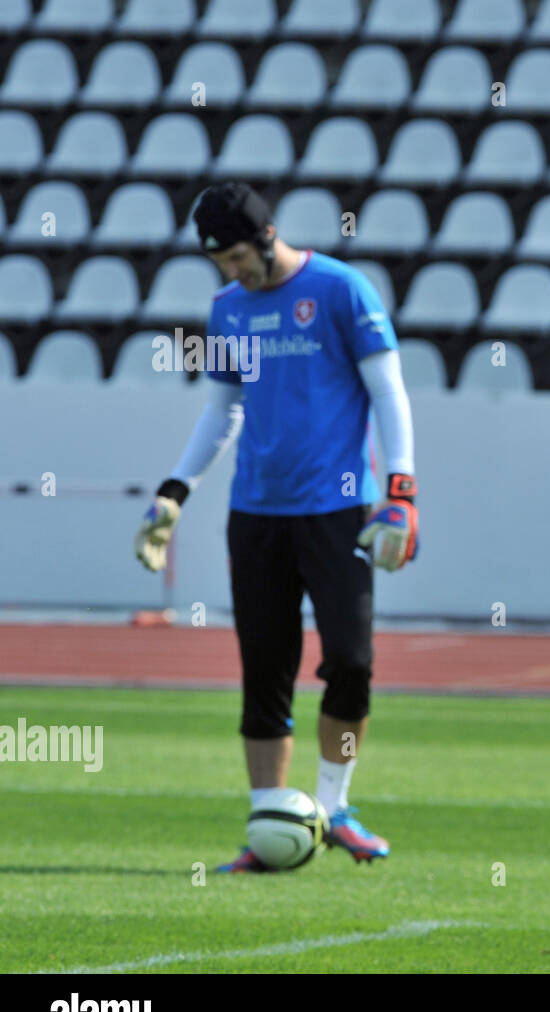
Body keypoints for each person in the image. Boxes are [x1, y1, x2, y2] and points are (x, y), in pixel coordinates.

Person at [133, 181, 420, 872]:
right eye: (219, 263)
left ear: (265, 237)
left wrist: (401, 492)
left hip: (338, 508)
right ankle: (269, 820)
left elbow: (388, 390)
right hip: (256, 513)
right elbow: (223, 410)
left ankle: (335, 806)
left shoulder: (340, 290)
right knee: (264, 673)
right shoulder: (228, 309)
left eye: (235, 256)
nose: (230, 272)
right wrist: (175, 490)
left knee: (351, 664)